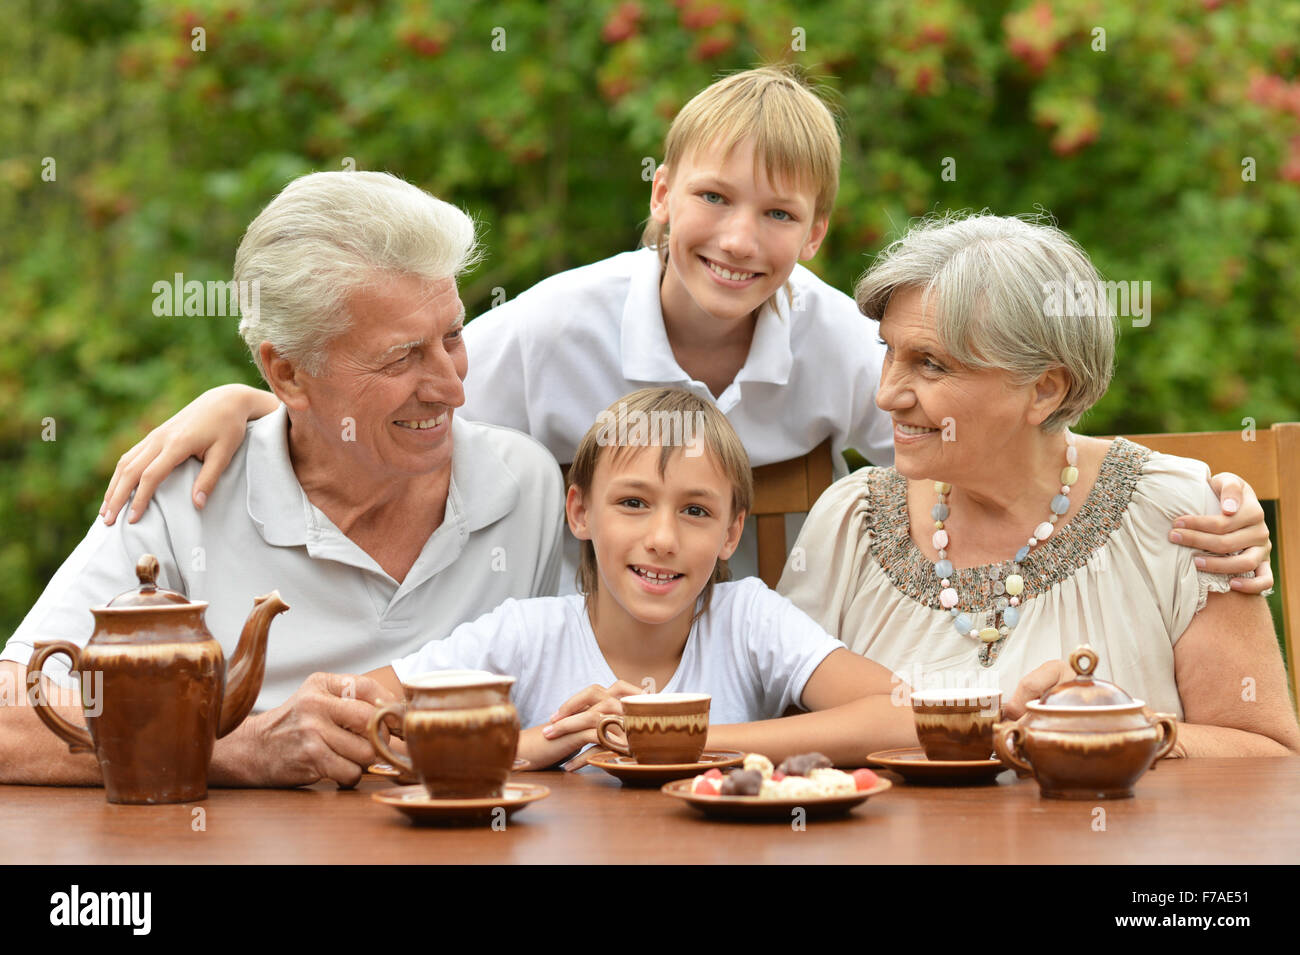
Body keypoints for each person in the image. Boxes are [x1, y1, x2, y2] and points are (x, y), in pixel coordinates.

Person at [97, 67, 1275, 593]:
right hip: (581, 620)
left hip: (759, 630)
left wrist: (1201, 495)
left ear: (816, 231)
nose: (738, 239)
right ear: (659, 192)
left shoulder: (834, 343)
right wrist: (240, 402)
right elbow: (396, 403)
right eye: (712, 199)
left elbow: (1000, 443)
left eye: (779, 214)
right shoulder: (556, 326)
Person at [0, 171, 565, 788]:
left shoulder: (527, 488)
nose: (453, 387)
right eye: (401, 356)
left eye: (453, 335)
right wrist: (234, 749)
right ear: (289, 373)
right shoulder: (183, 498)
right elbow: (9, 722)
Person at [777, 212, 1300, 757]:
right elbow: (787, 745)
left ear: (1045, 390)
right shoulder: (850, 521)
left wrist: (1121, 732)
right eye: (889, 350)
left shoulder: (1180, 516)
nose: (887, 395)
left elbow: (1269, 754)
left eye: (930, 365)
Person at [367, 388, 917, 768]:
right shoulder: (528, 634)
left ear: (731, 533)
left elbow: (906, 716)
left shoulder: (748, 618)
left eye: (695, 511)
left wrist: (680, 740)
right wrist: (539, 744)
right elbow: (367, 713)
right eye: (633, 502)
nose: (662, 538)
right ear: (580, 513)